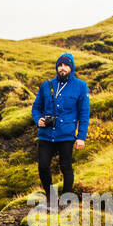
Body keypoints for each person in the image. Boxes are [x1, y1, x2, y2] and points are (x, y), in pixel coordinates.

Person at [32, 52, 90, 205]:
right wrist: (39, 120)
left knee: (66, 167)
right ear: (57, 67)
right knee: (43, 166)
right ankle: (51, 198)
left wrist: (81, 137)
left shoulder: (81, 86)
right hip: (46, 135)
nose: (62, 68)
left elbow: (84, 114)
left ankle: (66, 199)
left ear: (71, 67)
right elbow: (36, 108)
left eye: (66, 65)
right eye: (60, 65)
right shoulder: (46, 85)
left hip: (66, 135)